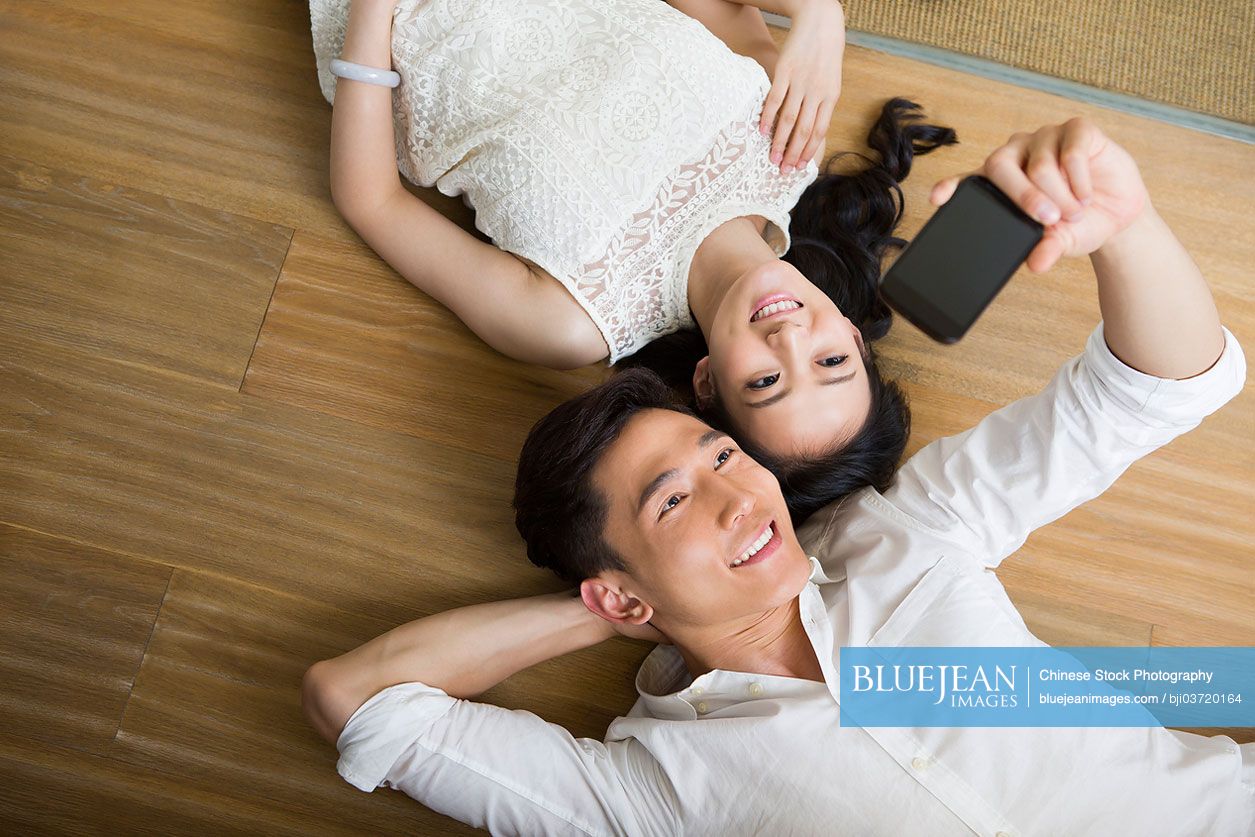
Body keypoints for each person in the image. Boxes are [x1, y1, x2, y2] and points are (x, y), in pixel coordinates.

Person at [302, 118, 1252, 835]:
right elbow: (359, 699)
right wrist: (619, 607)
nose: (736, 494)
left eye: (722, 455)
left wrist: (1126, 226)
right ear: (619, 591)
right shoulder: (653, 789)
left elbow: (1147, 393)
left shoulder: (901, 536)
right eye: (670, 500)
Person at [308, 0, 957, 518]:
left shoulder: (569, 320)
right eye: (829, 360)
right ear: (850, 330)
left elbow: (371, 201)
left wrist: (372, 9)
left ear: (706, 382)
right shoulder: (787, 139)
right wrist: (816, 12)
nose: (787, 338)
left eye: (765, 382)